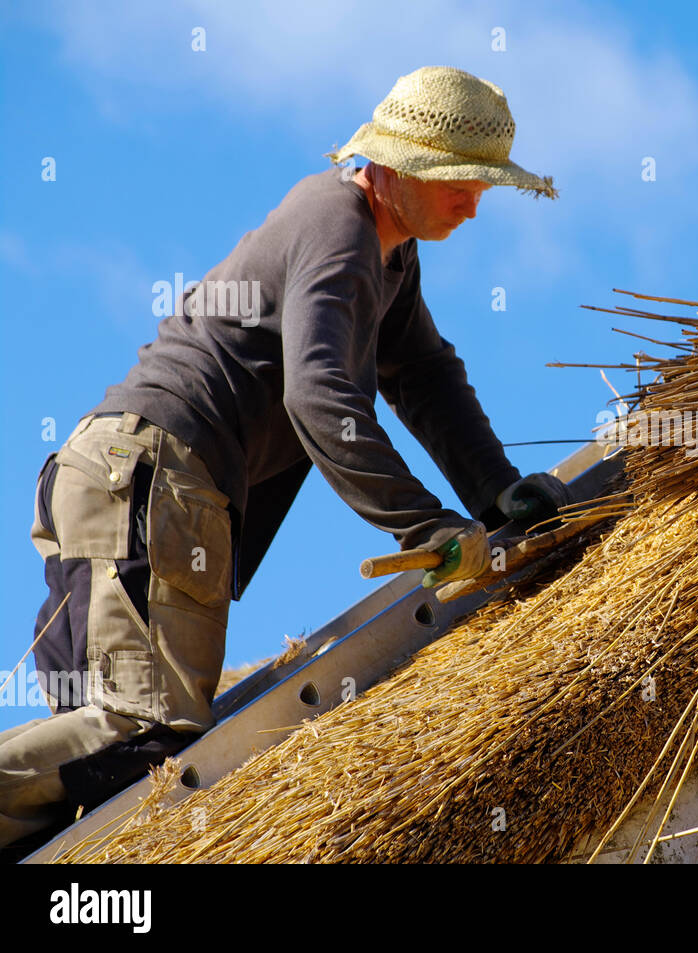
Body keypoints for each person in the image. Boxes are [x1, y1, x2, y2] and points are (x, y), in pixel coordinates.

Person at [0, 66, 571, 853]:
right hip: (151, 478)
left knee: (94, 780)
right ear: (398, 166)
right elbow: (321, 397)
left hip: (113, 481)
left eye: (483, 187)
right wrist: (425, 527)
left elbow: (427, 379)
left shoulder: (389, 258)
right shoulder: (336, 223)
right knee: (148, 737)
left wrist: (497, 493)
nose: (474, 205)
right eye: (459, 183)